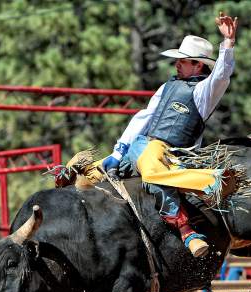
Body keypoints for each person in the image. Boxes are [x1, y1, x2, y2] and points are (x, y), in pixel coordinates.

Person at [100, 12, 238, 257]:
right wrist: (118, 150)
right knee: (88, 167)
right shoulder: (167, 86)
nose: (177, 64)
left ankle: (186, 230)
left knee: (154, 168)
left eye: (183, 61)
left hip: (171, 155)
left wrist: (227, 44)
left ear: (198, 65)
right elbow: (144, 117)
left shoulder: (203, 92)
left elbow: (221, 75)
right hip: (142, 148)